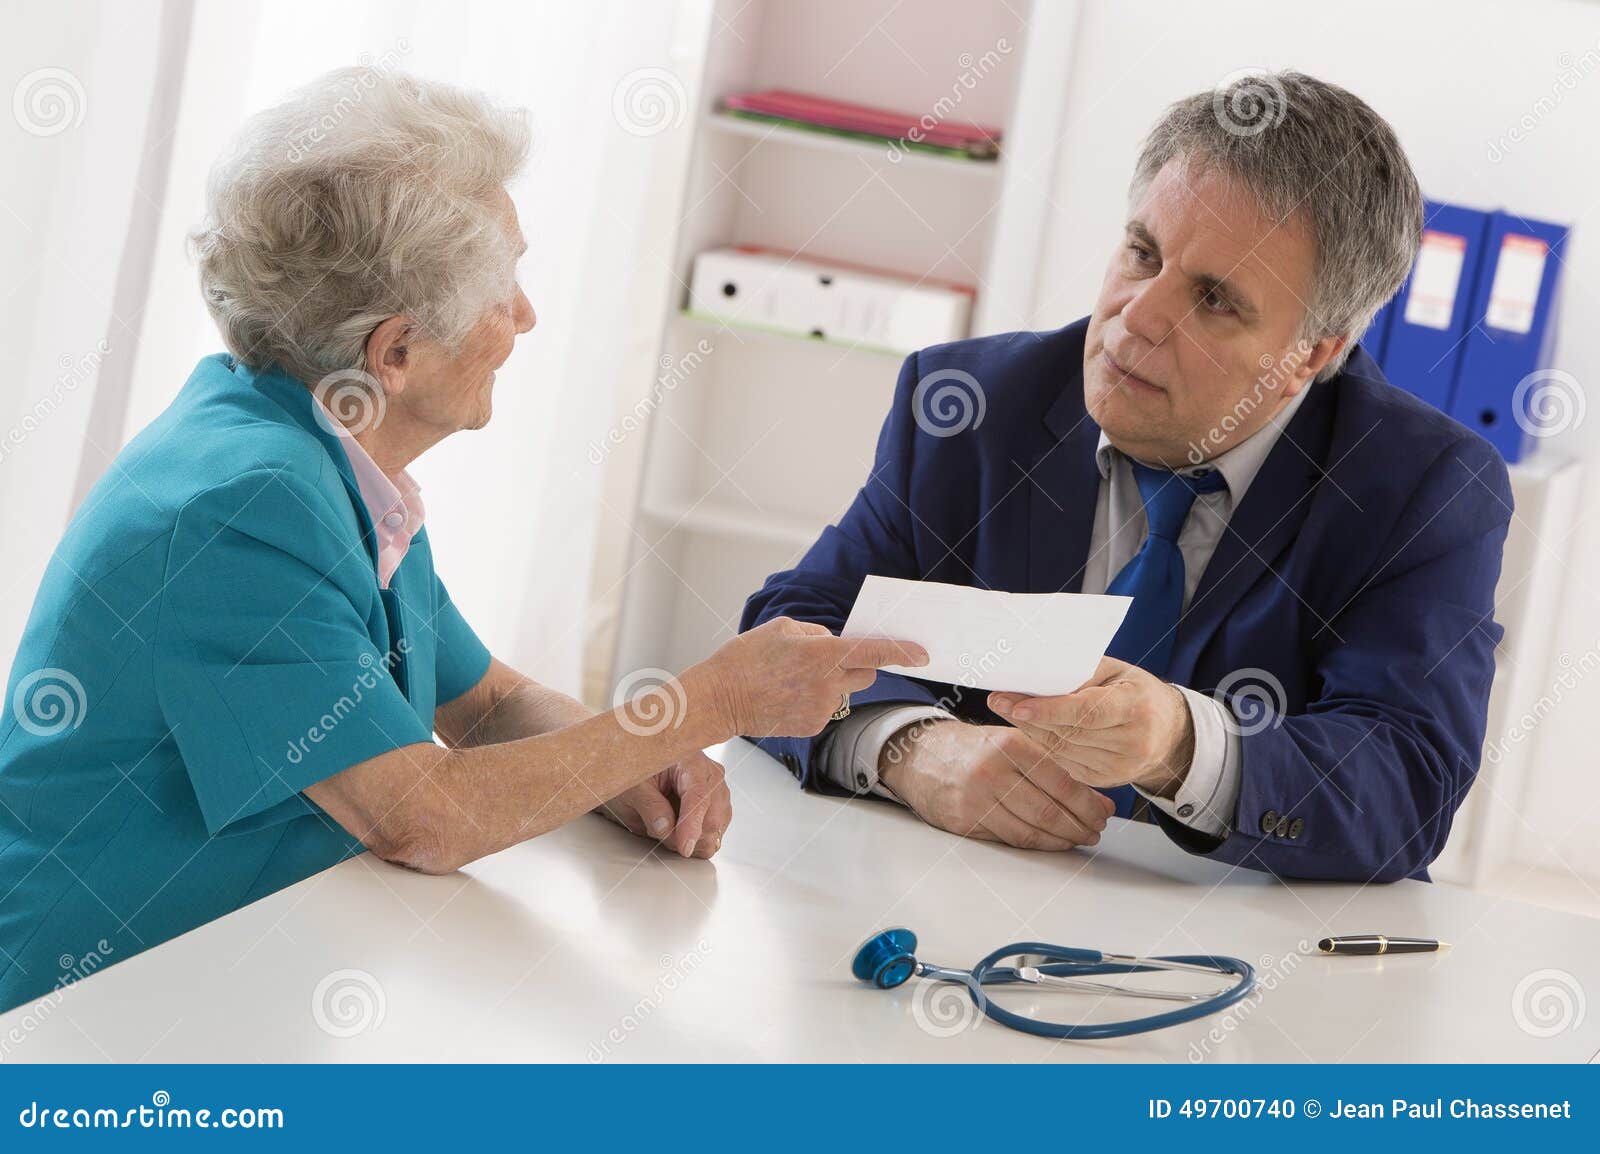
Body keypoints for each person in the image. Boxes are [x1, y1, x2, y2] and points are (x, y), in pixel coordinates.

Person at [0, 69, 926, 1014]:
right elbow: (424, 817)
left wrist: (629, 760)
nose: (525, 316)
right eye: (502, 290)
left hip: (245, 973)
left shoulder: (329, 453)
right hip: (85, 1016)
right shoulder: (247, 508)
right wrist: (713, 703)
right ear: (395, 353)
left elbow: (485, 702)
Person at [742, 72, 1512, 884]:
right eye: (1143, 254)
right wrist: (912, 747)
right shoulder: (970, 407)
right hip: (966, 901)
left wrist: (1180, 744)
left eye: (1214, 300)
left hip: (1246, 938)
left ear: (1311, 354)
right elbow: (789, 634)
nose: (1138, 317)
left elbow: (1407, 782)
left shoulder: (1426, 487)